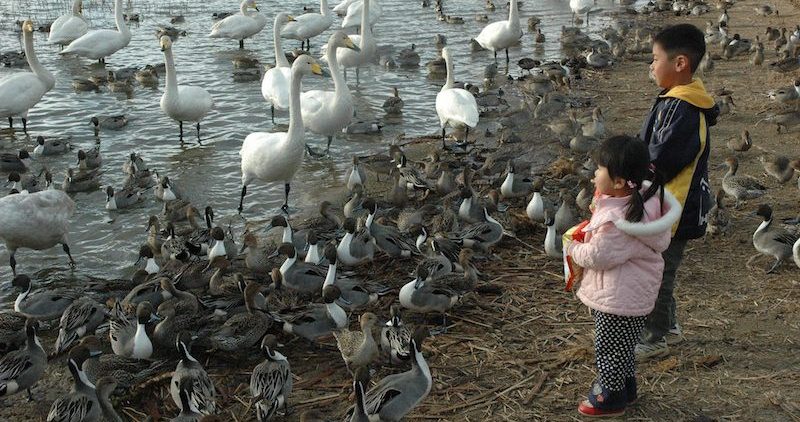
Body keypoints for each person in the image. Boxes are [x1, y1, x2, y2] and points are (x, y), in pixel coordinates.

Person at [566, 135, 682, 417]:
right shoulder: (640, 202)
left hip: (618, 298)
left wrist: (573, 248)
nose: (593, 174)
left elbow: (599, 256)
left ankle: (610, 396)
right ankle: (627, 387)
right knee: (623, 346)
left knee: (608, 347)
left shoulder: (620, 223)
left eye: (598, 169)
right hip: (632, 294)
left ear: (619, 182)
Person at [636, 23, 719, 360]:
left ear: (680, 63)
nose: (651, 66)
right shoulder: (681, 100)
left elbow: (661, 160)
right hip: (673, 205)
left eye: (655, 59)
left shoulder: (681, 108)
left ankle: (654, 338)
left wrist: (629, 178)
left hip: (672, 209)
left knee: (657, 272)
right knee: (661, 267)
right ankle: (668, 326)